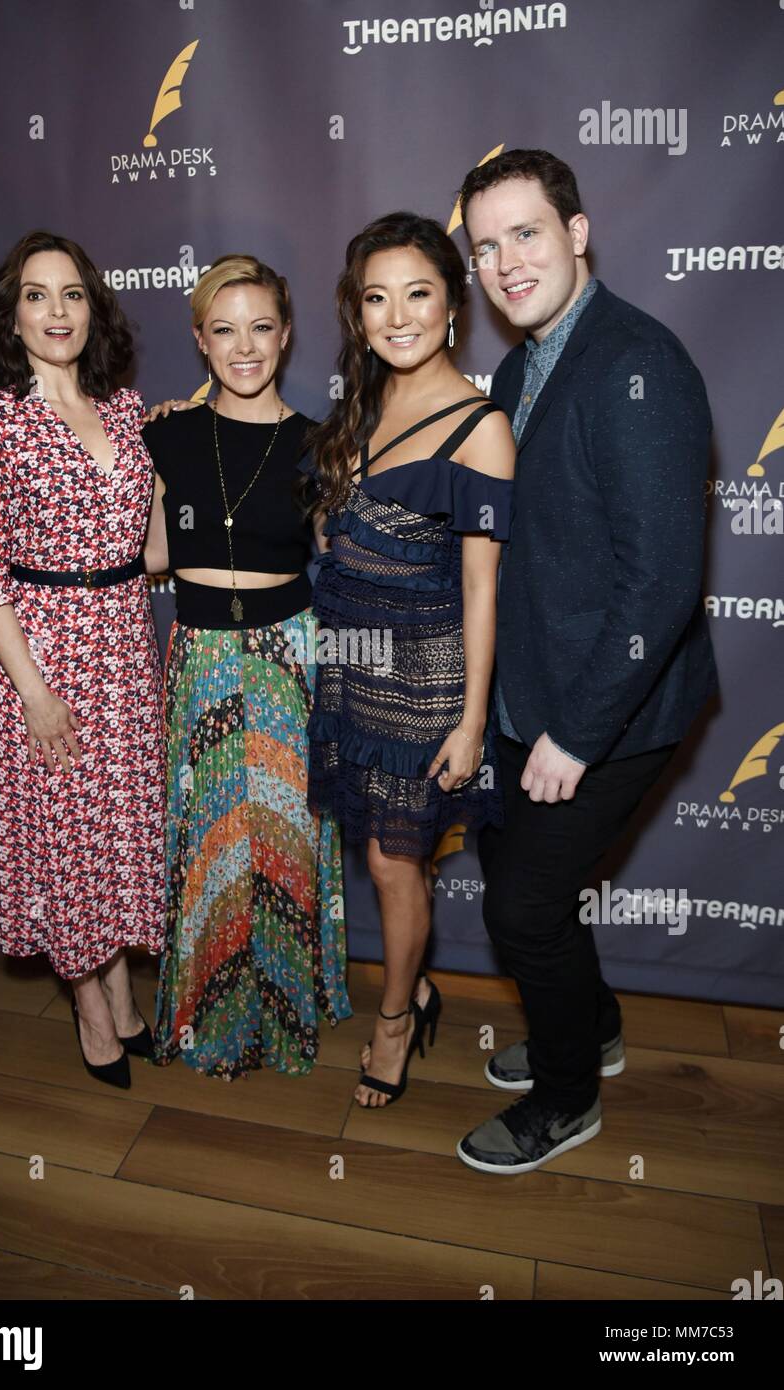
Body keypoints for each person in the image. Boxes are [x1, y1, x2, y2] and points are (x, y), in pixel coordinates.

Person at [454, 149, 718, 1174]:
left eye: (525, 233)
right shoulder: (524, 363)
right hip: (540, 683)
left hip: (617, 702)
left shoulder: (633, 363)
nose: (505, 261)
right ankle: (591, 1026)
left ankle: (567, 1098)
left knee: (520, 906)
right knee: (521, 880)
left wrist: (572, 733)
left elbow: (657, 587)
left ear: (575, 232)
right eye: (484, 245)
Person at [301, 212, 515, 1108]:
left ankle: (393, 1022)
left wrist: (469, 723)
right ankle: (413, 985)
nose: (396, 316)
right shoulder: (361, 398)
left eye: (417, 293)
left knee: (394, 863)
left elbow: (480, 591)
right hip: (350, 668)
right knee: (381, 856)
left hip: (422, 685)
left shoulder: (480, 427)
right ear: (355, 313)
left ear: (454, 304)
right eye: (375, 298)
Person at [0, 230, 166, 1090]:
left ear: (93, 308)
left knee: (112, 832)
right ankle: (89, 1008)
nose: (56, 311)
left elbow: (147, 554)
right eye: (36, 296)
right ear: (11, 316)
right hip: (40, 658)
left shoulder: (124, 410)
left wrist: (170, 467)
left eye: (71, 294)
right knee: (64, 841)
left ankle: (118, 987)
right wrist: (33, 692)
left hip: (122, 641)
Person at [140, 255, 351, 1081]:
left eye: (260, 327)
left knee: (285, 834)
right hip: (198, 654)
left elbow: (336, 563)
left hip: (286, 654)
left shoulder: (316, 445)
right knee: (212, 838)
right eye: (224, 330)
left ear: (286, 333)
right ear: (199, 339)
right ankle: (208, 1014)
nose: (244, 346)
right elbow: (156, 552)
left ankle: (290, 1008)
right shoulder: (164, 434)